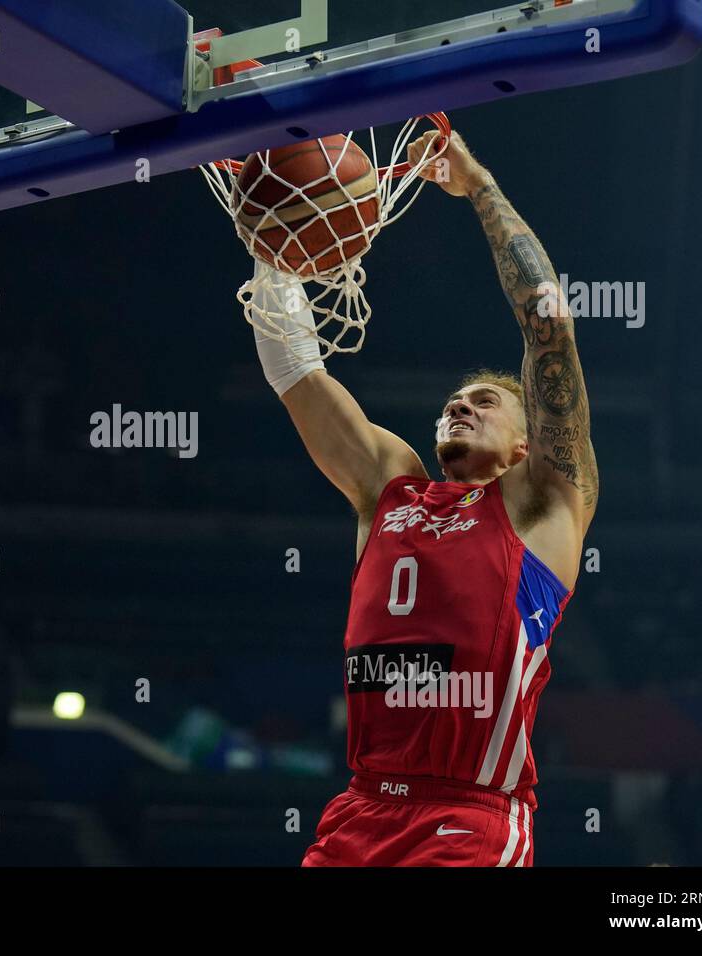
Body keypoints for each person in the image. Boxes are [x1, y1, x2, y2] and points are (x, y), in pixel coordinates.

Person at [251, 132, 598, 866]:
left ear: (526, 445)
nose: (459, 409)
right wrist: (274, 247)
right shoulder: (389, 487)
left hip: (467, 819)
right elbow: (297, 373)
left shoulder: (540, 507)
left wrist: (480, 187)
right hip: (361, 805)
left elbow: (548, 326)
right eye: (452, 403)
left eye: (483, 402)